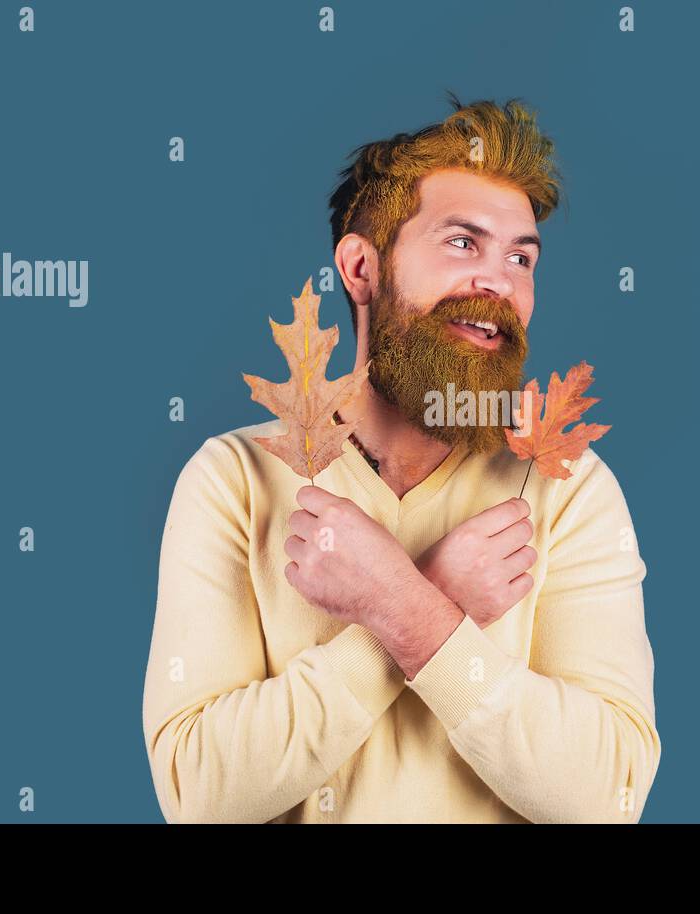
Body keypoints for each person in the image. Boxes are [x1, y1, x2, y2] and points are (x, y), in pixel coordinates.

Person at [141, 93, 660, 823]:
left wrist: (407, 608)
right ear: (360, 268)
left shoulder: (563, 487)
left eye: (521, 258)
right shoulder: (234, 481)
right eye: (462, 243)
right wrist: (433, 597)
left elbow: (611, 796)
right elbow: (198, 794)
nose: (499, 283)